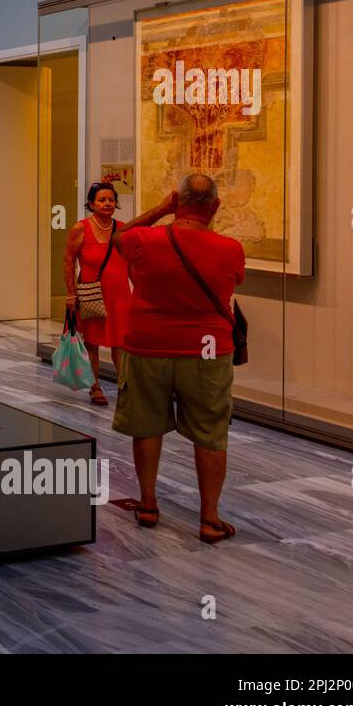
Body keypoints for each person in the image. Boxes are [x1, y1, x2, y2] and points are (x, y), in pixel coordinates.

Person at [113, 173, 245, 544]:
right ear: (215, 207)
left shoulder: (144, 240)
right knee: (210, 434)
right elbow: (236, 282)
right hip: (206, 351)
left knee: (147, 426)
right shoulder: (230, 248)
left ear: (177, 201)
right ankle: (209, 519)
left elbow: (118, 237)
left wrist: (160, 209)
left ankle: (149, 504)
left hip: (148, 345)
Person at [63, 182, 178, 406]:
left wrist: (142, 293)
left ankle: (126, 386)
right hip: (92, 294)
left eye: (111, 200)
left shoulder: (124, 229)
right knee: (92, 343)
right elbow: (68, 262)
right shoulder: (81, 228)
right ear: (91, 203)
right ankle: (94, 387)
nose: (107, 204)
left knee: (122, 345)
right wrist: (70, 294)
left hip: (120, 296)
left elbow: (132, 266)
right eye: (102, 200)